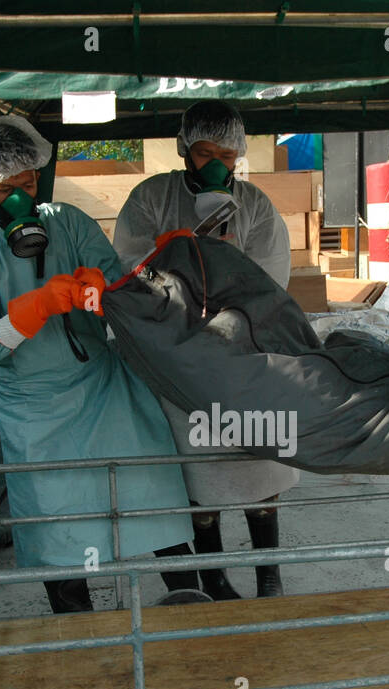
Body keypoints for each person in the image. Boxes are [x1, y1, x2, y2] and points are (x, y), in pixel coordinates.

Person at [0, 115, 197, 613]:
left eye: (28, 183)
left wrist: (102, 292)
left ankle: (188, 593)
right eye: (4, 187)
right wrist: (33, 309)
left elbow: (119, 289)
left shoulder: (69, 222)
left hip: (103, 384)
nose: (20, 196)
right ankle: (75, 621)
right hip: (33, 405)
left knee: (150, 486)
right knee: (57, 519)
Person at [112, 102, 298, 599]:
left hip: (243, 355)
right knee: (198, 473)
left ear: (239, 155)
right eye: (203, 152)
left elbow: (272, 285)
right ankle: (214, 576)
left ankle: (269, 574)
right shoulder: (152, 198)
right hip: (177, 356)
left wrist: (228, 266)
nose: (215, 163)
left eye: (226, 153)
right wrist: (170, 257)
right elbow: (127, 269)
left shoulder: (255, 206)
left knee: (260, 459)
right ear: (184, 150)